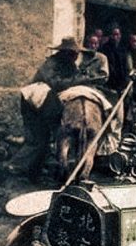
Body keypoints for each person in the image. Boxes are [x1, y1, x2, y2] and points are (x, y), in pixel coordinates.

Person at [7, 37, 108, 180]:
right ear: (64, 52)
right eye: (73, 53)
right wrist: (81, 80)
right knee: (37, 140)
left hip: (47, 101)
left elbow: (73, 79)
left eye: (76, 53)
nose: (76, 56)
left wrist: (85, 78)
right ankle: (15, 167)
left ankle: (33, 173)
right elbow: (56, 83)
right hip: (33, 100)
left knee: (44, 140)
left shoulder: (69, 64)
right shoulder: (51, 63)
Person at [100, 27, 130, 91]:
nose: (115, 37)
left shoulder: (123, 49)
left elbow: (125, 66)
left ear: (120, 35)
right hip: (110, 81)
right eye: (113, 35)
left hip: (121, 81)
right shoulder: (105, 48)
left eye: (117, 34)